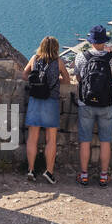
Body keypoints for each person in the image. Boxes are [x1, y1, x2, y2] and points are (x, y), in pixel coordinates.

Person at [74, 25, 112, 186]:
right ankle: (103, 176)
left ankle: (84, 175)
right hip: (106, 104)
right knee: (105, 140)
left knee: (85, 140)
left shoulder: (81, 57)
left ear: (91, 41)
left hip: (85, 103)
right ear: (104, 41)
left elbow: (78, 78)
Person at [22, 36, 71, 184]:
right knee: (51, 139)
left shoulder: (34, 59)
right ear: (56, 48)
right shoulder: (58, 62)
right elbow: (67, 80)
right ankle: (49, 172)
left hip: (35, 100)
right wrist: (56, 81)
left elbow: (24, 75)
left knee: (32, 137)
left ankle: (31, 170)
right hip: (51, 102)